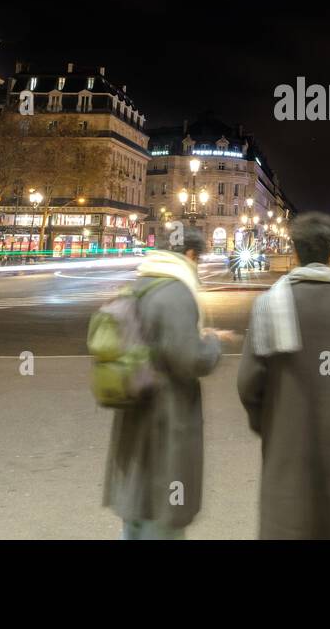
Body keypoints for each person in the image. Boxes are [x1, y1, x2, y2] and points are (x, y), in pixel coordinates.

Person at [237, 212, 330, 539]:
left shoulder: (269, 304)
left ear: (295, 252)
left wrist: (269, 421)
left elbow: (247, 383)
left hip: (286, 449)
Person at [103, 227, 229, 539]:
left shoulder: (142, 284)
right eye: (198, 258)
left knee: (137, 507)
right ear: (189, 255)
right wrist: (213, 344)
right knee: (163, 509)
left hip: (134, 407)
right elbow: (187, 358)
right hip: (166, 415)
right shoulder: (176, 292)